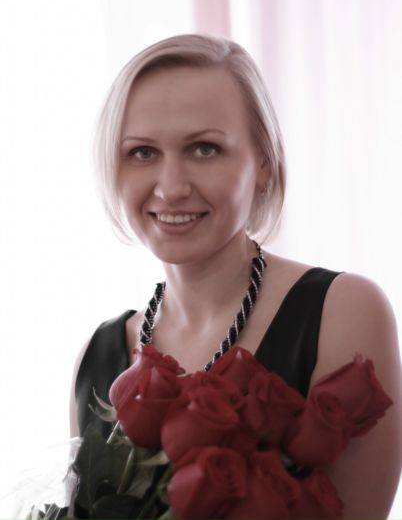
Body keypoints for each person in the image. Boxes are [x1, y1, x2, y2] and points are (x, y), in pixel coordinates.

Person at [69, 34, 402, 519]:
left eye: (204, 149)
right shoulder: (95, 359)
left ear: (263, 163)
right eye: (142, 153)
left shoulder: (343, 311)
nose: (171, 188)